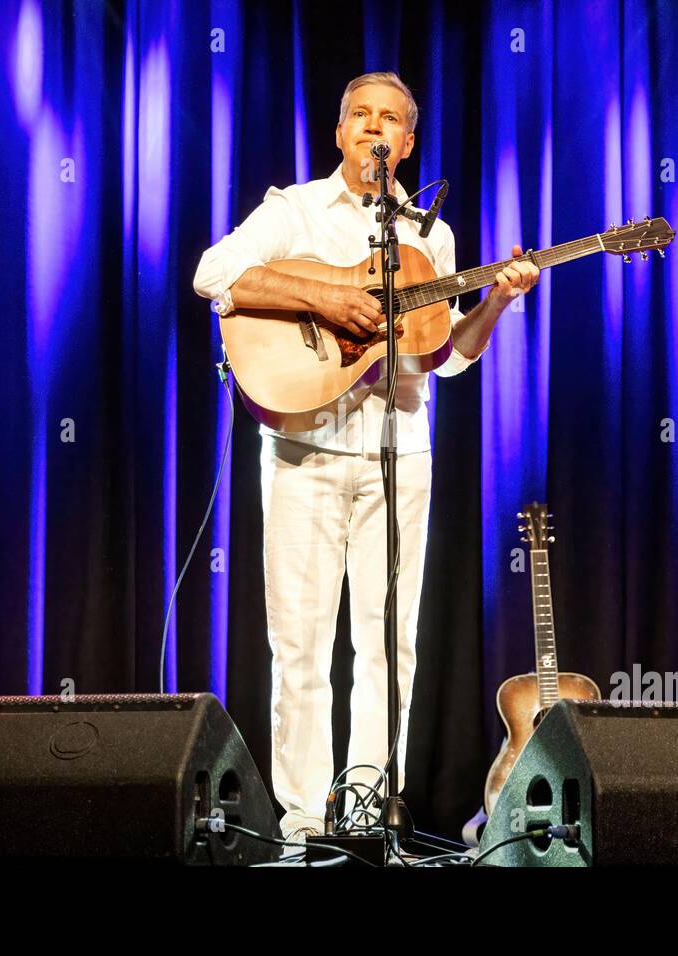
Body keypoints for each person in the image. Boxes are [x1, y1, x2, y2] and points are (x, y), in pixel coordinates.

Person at [193, 71, 538, 842]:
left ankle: (370, 811)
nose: (374, 129)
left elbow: (445, 358)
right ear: (341, 132)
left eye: (391, 121)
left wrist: (497, 301)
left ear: (408, 143)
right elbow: (213, 274)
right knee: (302, 645)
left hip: (399, 455)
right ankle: (303, 823)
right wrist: (322, 299)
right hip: (301, 451)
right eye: (361, 116)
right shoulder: (296, 210)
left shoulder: (429, 236)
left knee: (390, 643)